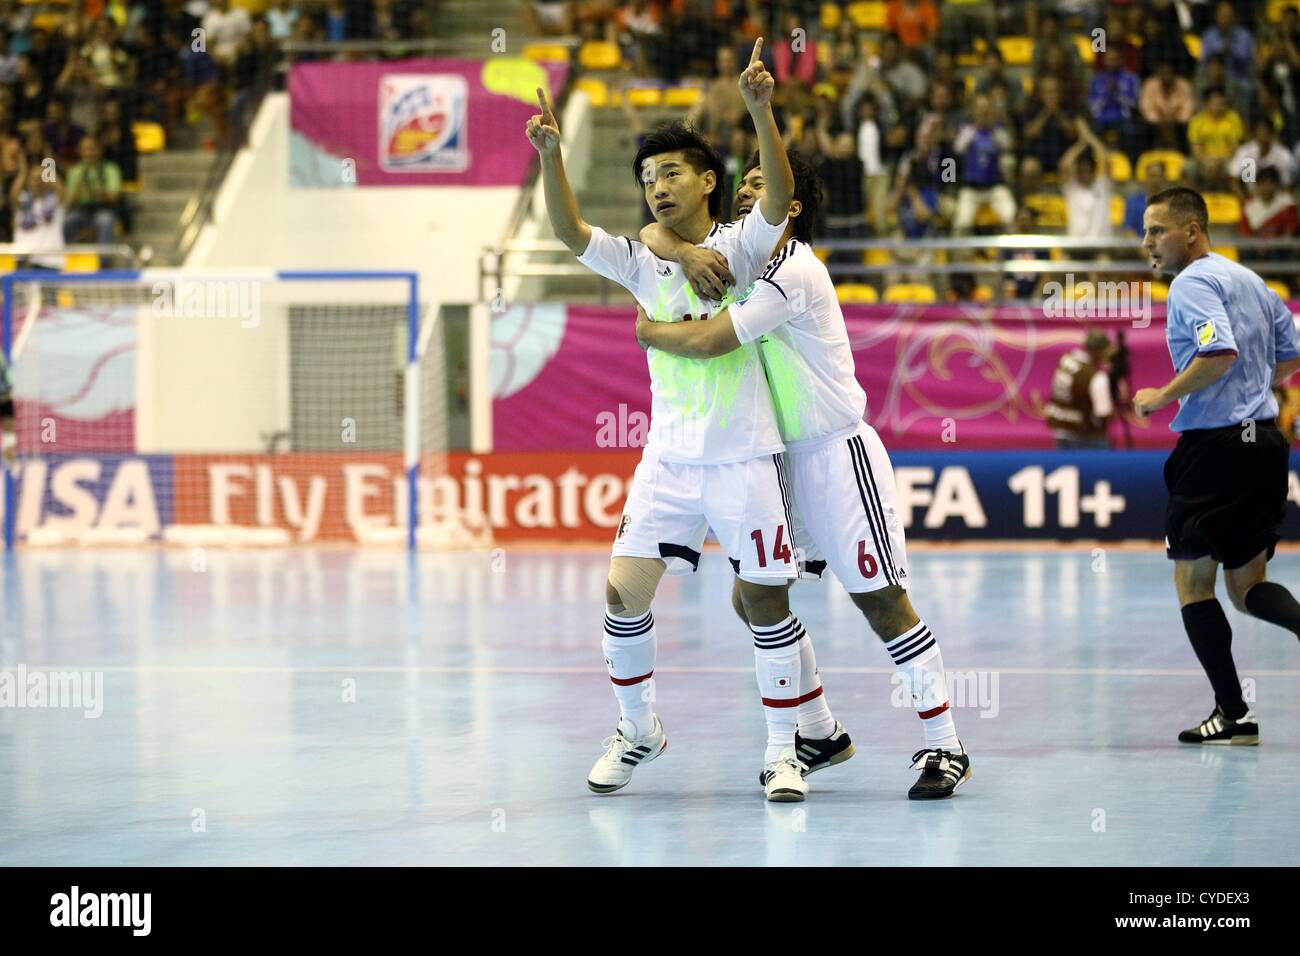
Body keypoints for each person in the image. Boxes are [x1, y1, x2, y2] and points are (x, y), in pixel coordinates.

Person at [526, 42, 849, 802]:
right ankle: (639, 729)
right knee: (621, 595)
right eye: (646, 179)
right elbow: (572, 233)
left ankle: (782, 752)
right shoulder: (644, 259)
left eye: (670, 172)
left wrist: (761, 108)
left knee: (765, 602)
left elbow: (775, 202)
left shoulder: (744, 247)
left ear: (709, 180)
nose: (656, 187)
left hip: (745, 457)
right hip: (668, 460)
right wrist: (551, 158)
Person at [634, 150, 972, 800]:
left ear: (789, 207)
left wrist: (649, 329)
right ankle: (818, 730)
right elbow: (653, 233)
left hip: (837, 454)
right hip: (778, 457)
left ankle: (946, 744)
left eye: (761, 185)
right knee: (752, 598)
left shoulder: (796, 271)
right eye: (742, 183)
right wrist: (676, 249)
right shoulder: (733, 261)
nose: (744, 193)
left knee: (880, 600)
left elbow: (710, 341)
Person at [1134, 186, 1300, 745]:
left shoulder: (1190, 283)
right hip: (1264, 444)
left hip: (1214, 448)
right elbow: (1292, 353)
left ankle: (1233, 714)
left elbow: (1218, 352)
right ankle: (1236, 711)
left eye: (1157, 230)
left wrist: (1161, 396)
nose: (1147, 243)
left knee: (1194, 584)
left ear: (1192, 230)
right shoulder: (1251, 280)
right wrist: (1258, 388)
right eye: (1144, 231)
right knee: (1249, 585)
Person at [1044, 330, 1115, 449]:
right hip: (1085, 436)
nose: (1106, 356)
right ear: (1096, 351)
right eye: (1104, 352)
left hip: (1061, 430)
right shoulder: (1096, 377)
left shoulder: (1066, 361)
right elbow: (1104, 413)